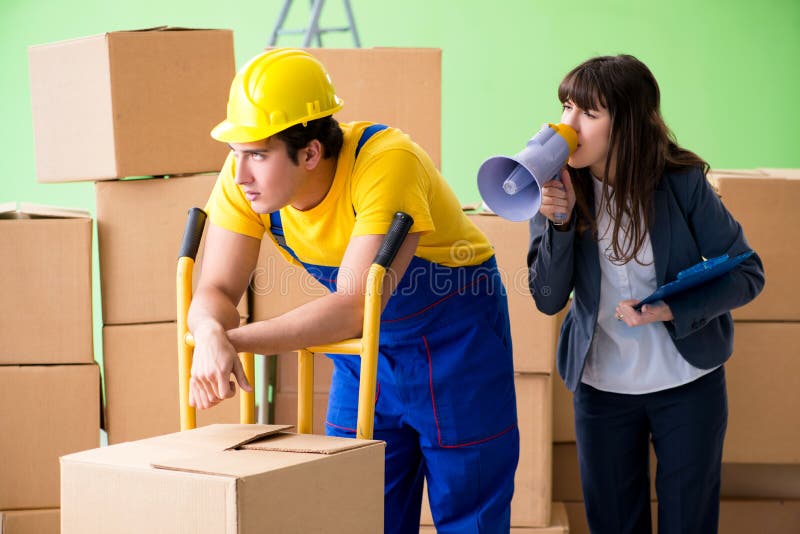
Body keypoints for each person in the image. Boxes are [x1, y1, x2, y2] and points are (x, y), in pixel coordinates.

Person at [187, 48, 519, 534]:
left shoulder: (386, 163)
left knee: (469, 512)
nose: (240, 174)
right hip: (364, 356)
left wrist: (232, 341)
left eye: (258, 154)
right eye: (237, 153)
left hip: (454, 344)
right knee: (358, 506)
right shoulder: (245, 182)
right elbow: (214, 288)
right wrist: (210, 329)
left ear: (311, 152)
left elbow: (352, 308)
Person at [527, 55, 764, 534]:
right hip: (601, 391)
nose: (566, 124)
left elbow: (748, 273)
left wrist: (670, 309)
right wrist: (560, 222)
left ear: (628, 123)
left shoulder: (682, 182)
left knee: (688, 521)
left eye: (588, 113)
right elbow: (549, 299)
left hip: (688, 384)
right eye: (567, 106)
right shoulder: (554, 187)